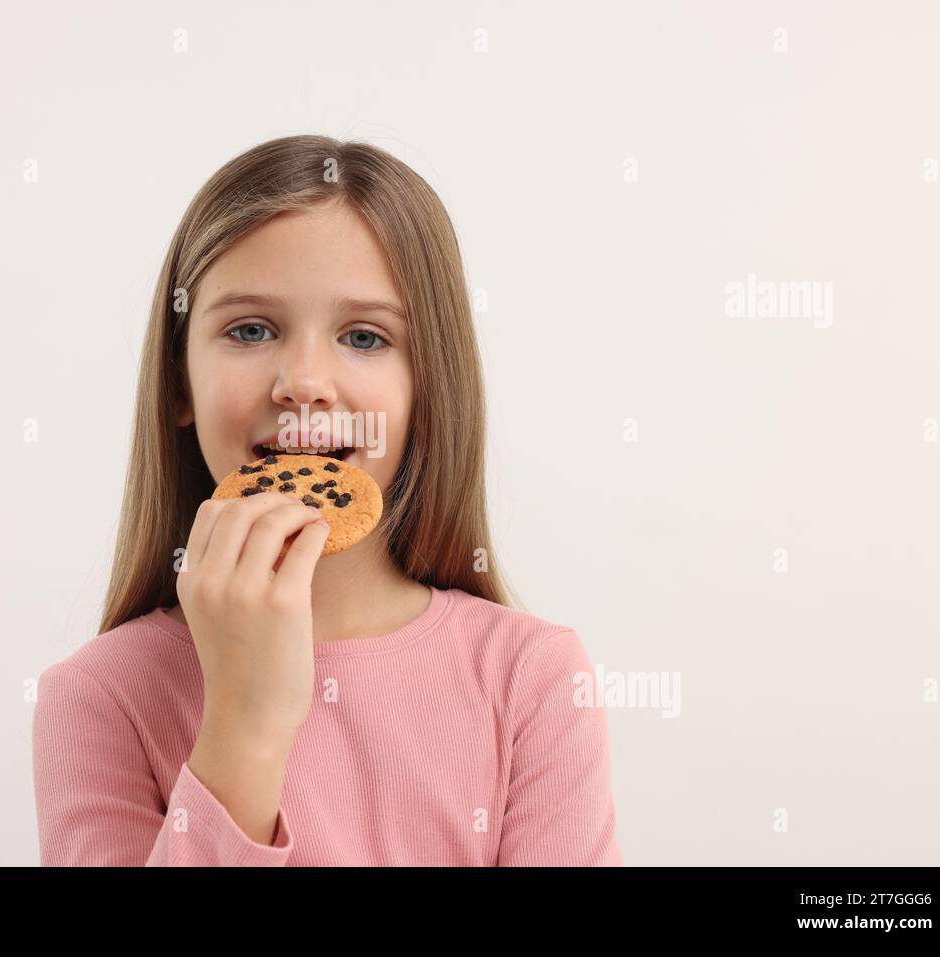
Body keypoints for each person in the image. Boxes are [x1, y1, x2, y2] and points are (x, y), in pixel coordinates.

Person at [31, 134, 623, 866]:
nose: (304, 380)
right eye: (250, 329)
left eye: (365, 337)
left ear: (426, 388)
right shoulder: (101, 697)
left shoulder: (531, 679)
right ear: (180, 382)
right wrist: (246, 725)